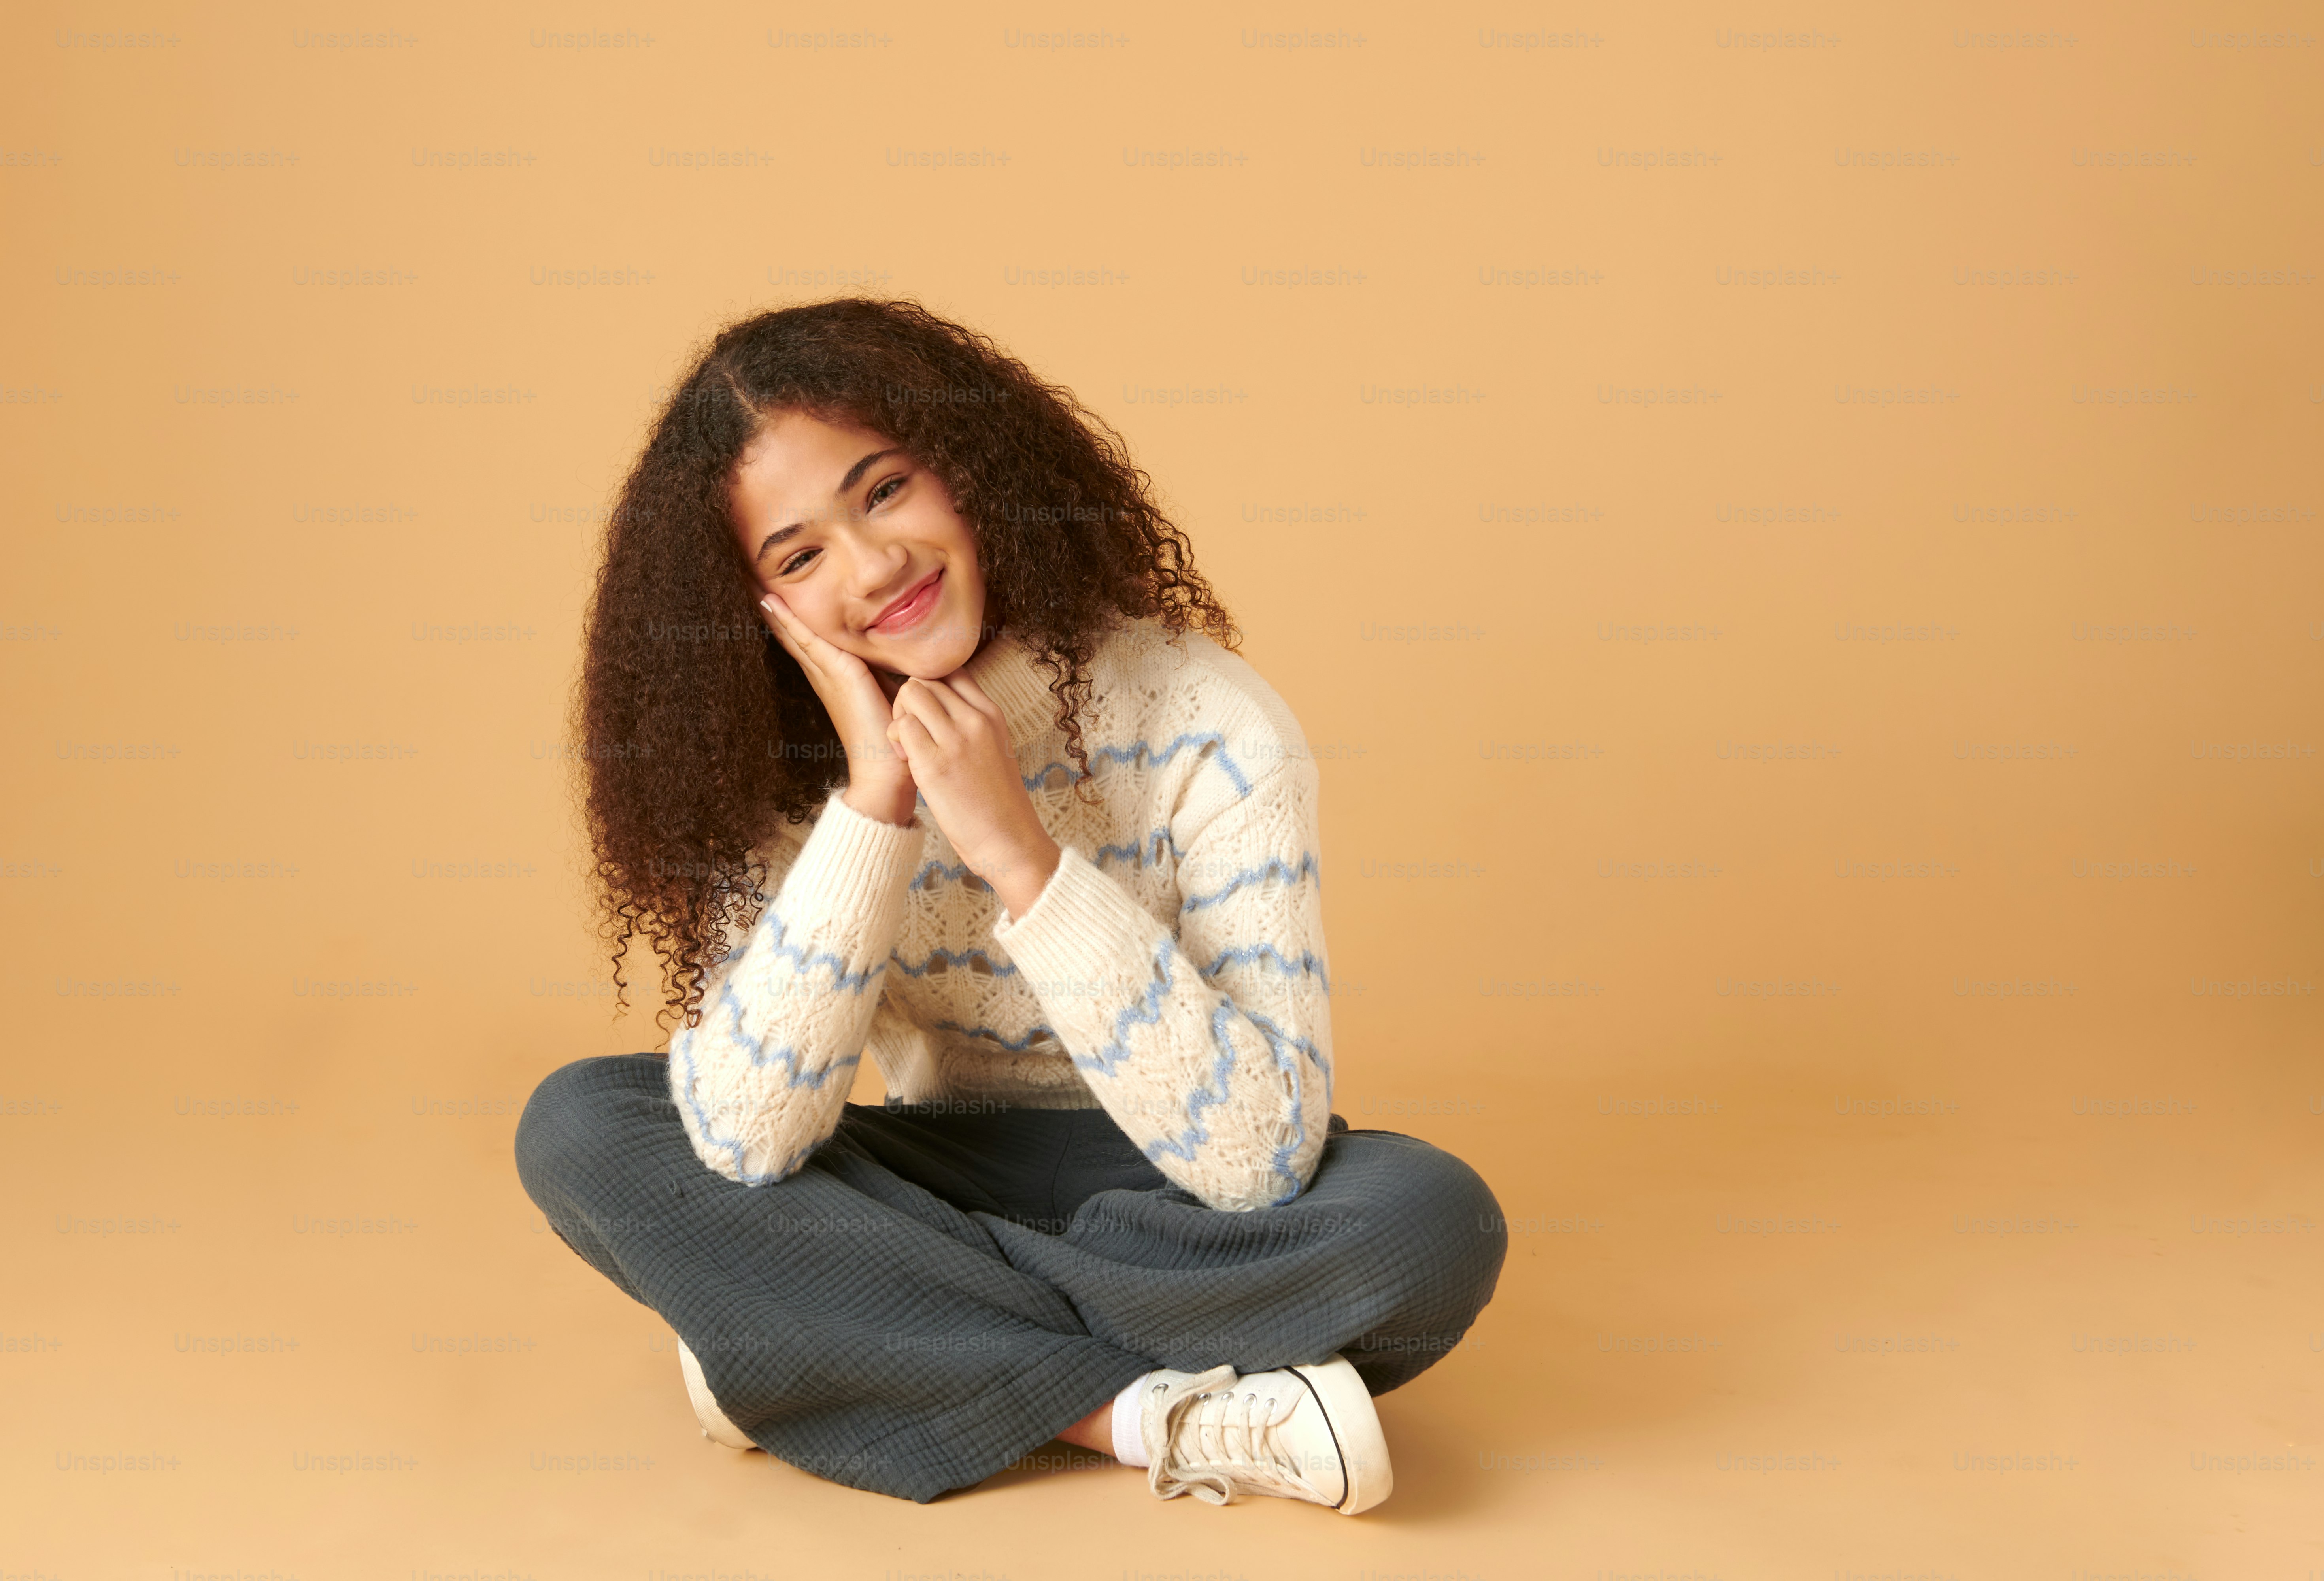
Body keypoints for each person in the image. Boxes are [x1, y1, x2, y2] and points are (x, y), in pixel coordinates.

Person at [514, 297, 1507, 1512]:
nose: (874, 567)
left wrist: (1022, 859)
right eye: (799, 555)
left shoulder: (1207, 722)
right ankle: (1148, 1419)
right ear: (754, 611)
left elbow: (1257, 1164)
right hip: (933, 1172)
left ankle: (812, 1340)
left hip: (1171, 1196)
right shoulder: (768, 791)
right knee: (583, 1124)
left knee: (1427, 1223)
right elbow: (749, 1138)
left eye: (884, 492)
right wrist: (875, 806)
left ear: (973, 469)